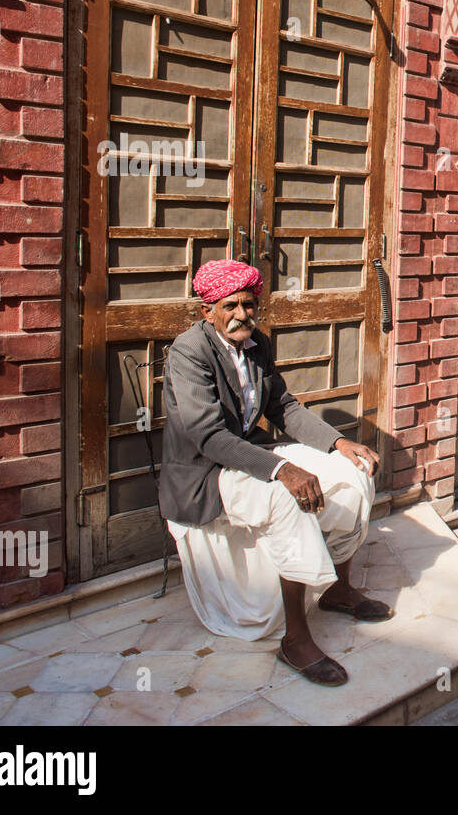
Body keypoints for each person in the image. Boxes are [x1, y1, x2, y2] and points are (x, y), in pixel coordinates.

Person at [159, 258, 388, 686]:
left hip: (248, 454)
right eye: (231, 306)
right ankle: (295, 639)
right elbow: (207, 436)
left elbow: (281, 406)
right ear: (206, 311)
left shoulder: (257, 343)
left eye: (249, 304)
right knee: (290, 496)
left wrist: (340, 443)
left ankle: (338, 588)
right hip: (205, 472)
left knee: (353, 470)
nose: (242, 314)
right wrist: (283, 469)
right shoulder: (189, 353)